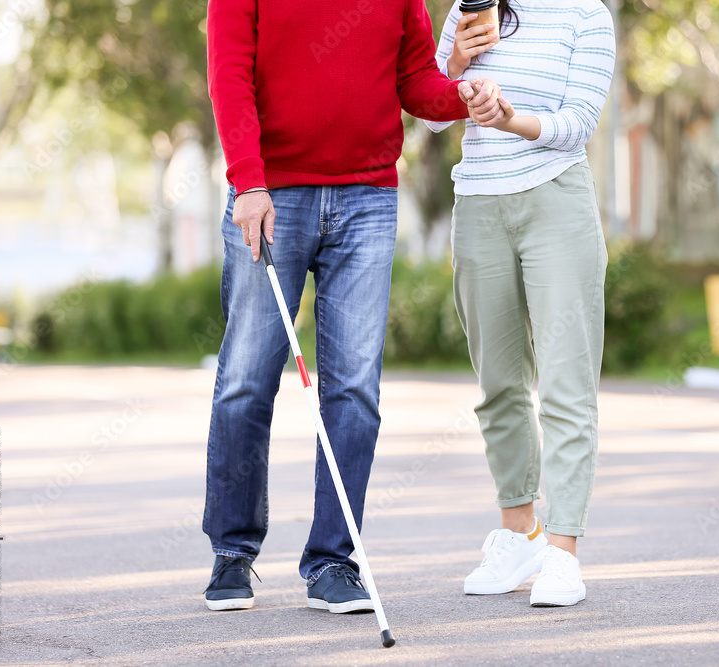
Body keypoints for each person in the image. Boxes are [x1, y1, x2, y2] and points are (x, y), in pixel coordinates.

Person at [203, 0, 504, 613]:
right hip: (271, 196)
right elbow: (228, 77)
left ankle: (333, 562)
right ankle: (233, 553)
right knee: (245, 380)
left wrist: (460, 95)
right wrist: (249, 181)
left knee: (355, 392)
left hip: (367, 199)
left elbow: (414, 80)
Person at [427, 0, 615, 606]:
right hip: (479, 204)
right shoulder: (469, 7)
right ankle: (520, 532)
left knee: (565, 384)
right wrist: (456, 61)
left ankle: (562, 551)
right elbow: (431, 116)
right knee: (499, 386)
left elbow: (578, 123)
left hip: (556, 201)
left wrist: (509, 118)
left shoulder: (587, 15)